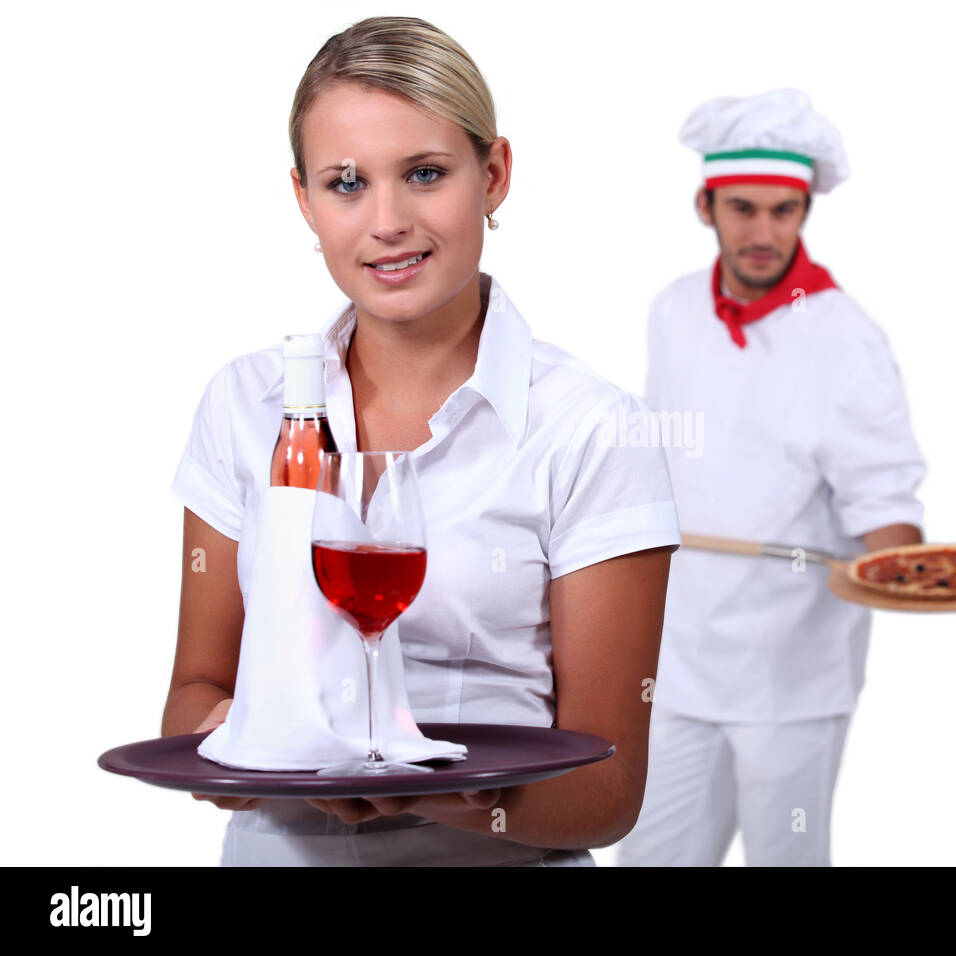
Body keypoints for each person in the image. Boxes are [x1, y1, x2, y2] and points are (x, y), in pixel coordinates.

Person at [162, 16, 680, 866]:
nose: (388, 221)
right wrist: (241, 742)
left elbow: (608, 795)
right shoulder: (242, 405)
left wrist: (423, 786)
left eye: (426, 173)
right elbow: (194, 698)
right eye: (345, 183)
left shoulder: (591, 427)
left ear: (495, 174)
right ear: (303, 199)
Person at [616, 89, 927, 867]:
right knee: (651, 854)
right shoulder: (674, 309)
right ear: (706, 205)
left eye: (783, 212)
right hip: (680, 656)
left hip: (792, 669)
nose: (763, 232)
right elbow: (664, 458)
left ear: (805, 211)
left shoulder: (845, 337)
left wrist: (907, 567)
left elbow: (884, 495)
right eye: (744, 208)